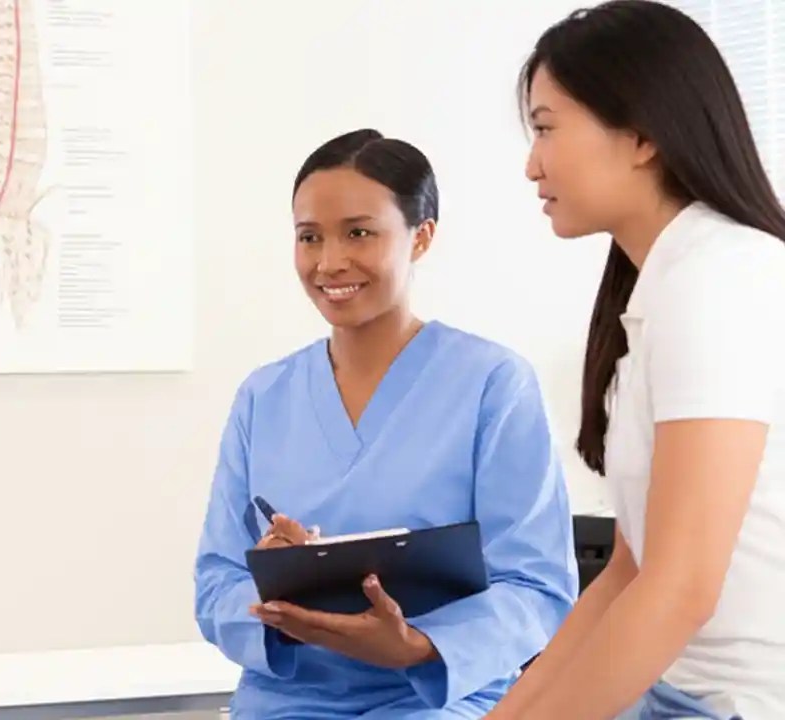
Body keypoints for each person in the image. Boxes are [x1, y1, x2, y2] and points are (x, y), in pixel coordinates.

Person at [193, 128, 578, 719]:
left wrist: (417, 647)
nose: (329, 262)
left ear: (421, 237)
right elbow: (218, 580)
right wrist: (281, 600)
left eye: (359, 233)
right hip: (284, 704)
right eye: (309, 237)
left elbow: (537, 586)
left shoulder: (492, 384)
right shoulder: (263, 397)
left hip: (438, 701)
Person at [485, 2, 785, 719]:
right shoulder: (663, 289)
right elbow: (627, 573)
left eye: (547, 128)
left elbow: (681, 588)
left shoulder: (723, 278)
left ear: (642, 134)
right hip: (669, 690)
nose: (532, 164)